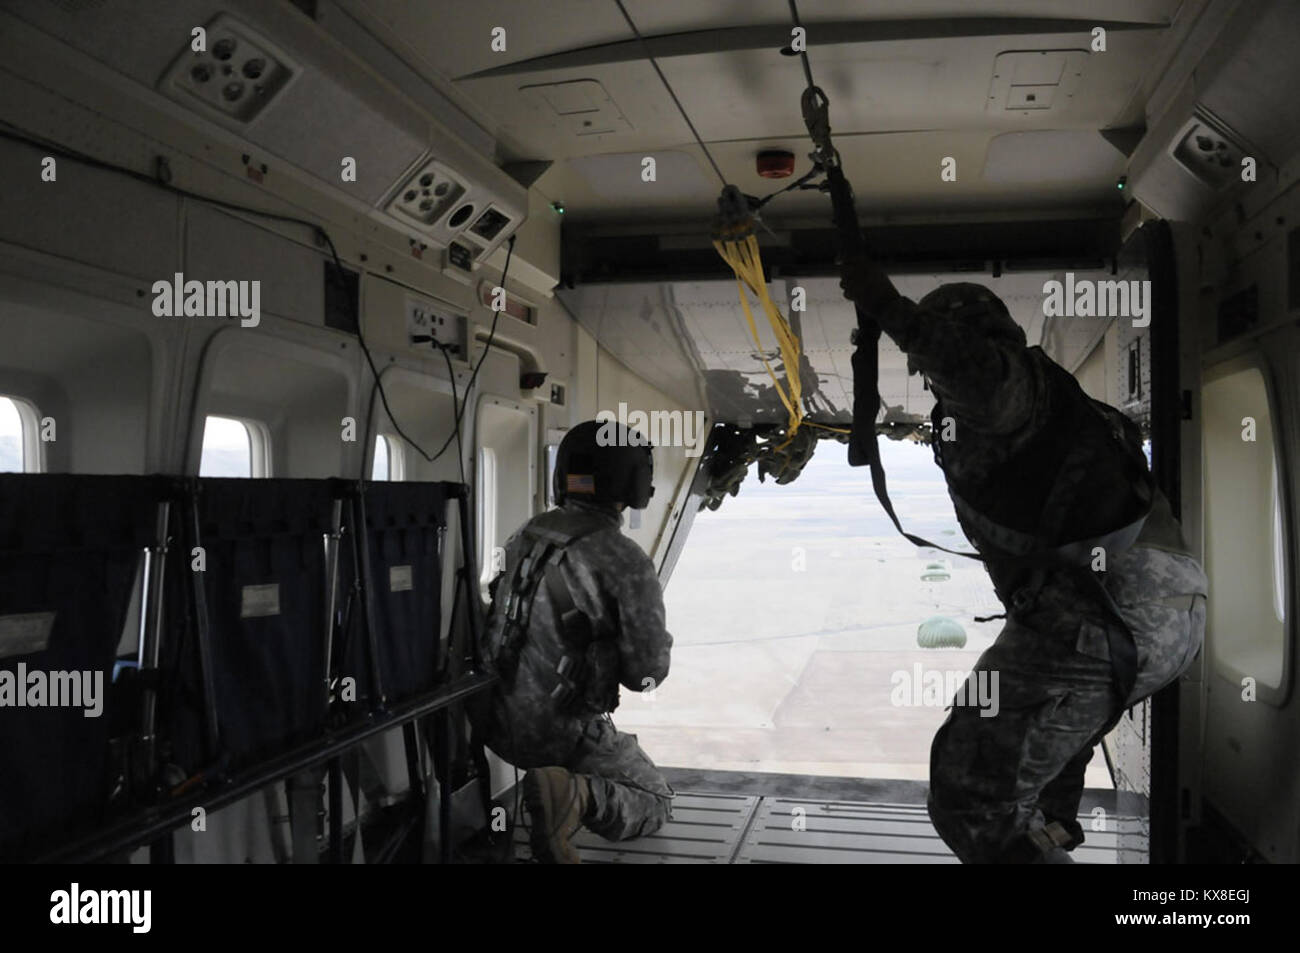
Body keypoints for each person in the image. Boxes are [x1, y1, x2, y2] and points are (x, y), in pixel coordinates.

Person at [840, 262, 1208, 863]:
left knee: (968, 798)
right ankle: (1051, 833)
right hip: (1155, 614)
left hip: (1107, 617)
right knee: (1036, 776)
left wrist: (890, 308)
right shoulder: (1059, 403)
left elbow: (978, 376)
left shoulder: (1010, 392)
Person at [475, 419, 673, 863]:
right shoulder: (624, 559)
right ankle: (572, 795)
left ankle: (553, 788)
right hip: (556, 734)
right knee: (655, 798)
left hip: (493, 719)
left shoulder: (524, 534)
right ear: (635, 483)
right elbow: (646, 675)